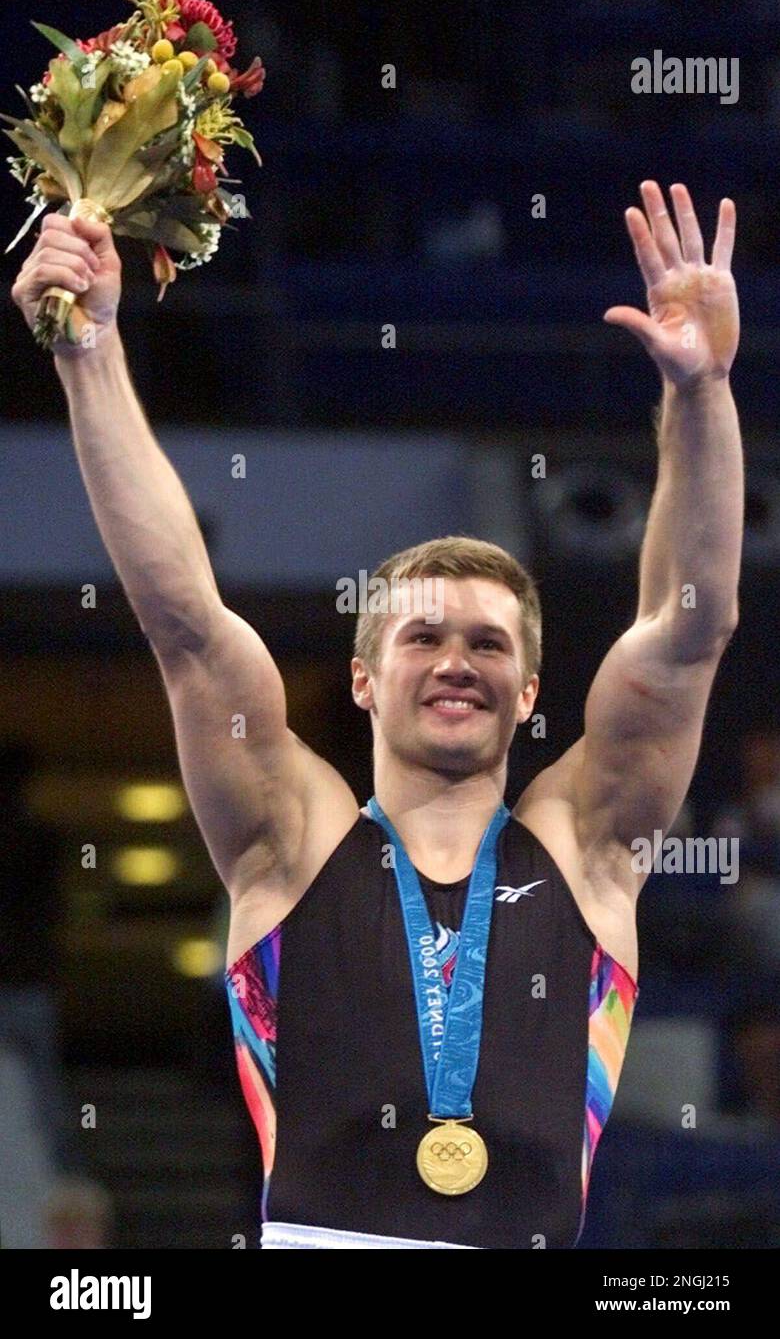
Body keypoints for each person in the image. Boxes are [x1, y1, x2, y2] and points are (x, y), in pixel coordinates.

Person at [11, 180, 743, 1248]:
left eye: (489, 643)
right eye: (423, 637)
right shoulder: (289, 838)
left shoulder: (585, 844)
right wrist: (90, 350)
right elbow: (184, 621)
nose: (457, 662)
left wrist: (700, 395)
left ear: (530, 693)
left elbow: (689, 633)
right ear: (362, 679)